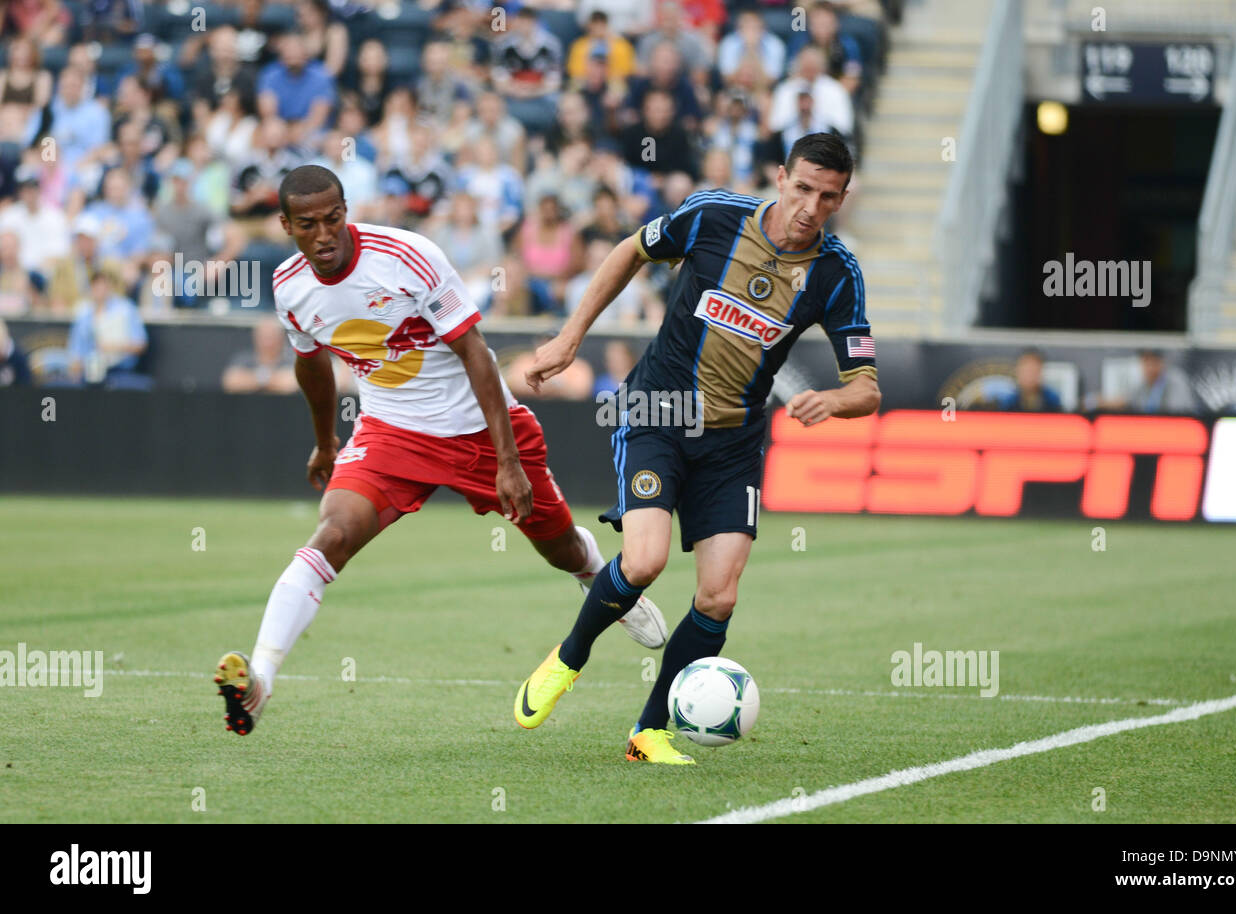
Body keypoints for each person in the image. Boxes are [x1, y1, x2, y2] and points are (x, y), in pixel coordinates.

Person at [213, 165, 668, 736]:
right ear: (285, 225)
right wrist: (326, 440)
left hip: (479, 430)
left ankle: (595, 570)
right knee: (332, 534)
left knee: (558, 550)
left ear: (347, 210)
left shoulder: (406, 256)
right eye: (308, 225)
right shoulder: (289, 285)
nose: (324, 234)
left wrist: (506, 462)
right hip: (390, 434)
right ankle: (261, 678)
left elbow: (476, 352)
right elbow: (312, 364)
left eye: (334, 218)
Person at [514, 133, 881, 763]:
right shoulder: (713, 216)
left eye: (827, 197)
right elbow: (631, 250)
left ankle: (649, 731)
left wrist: (834, 401)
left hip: (734, 443)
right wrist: (571, 336)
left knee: (719, 596)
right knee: (646, 561)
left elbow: (868, 388)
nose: (810, 208)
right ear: (779, 178)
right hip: (657, 413)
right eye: (802, 189)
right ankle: (568, 657)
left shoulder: (836, 273)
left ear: (842, 198)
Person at [222, 315, 298, 393]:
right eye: (263, 337)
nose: (267, 342)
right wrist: (268, 379)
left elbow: (291, 384)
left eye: (271, 337)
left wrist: (251, 379)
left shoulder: (292, 359)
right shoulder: (244, 358)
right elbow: (230, 382)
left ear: (281, 338)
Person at [991, 348, 1062, 412]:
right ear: (1018, 371)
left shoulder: (1052, 401)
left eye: (1034, 370)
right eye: (1026, 370)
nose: (1030, 375)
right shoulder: (1008, 402)